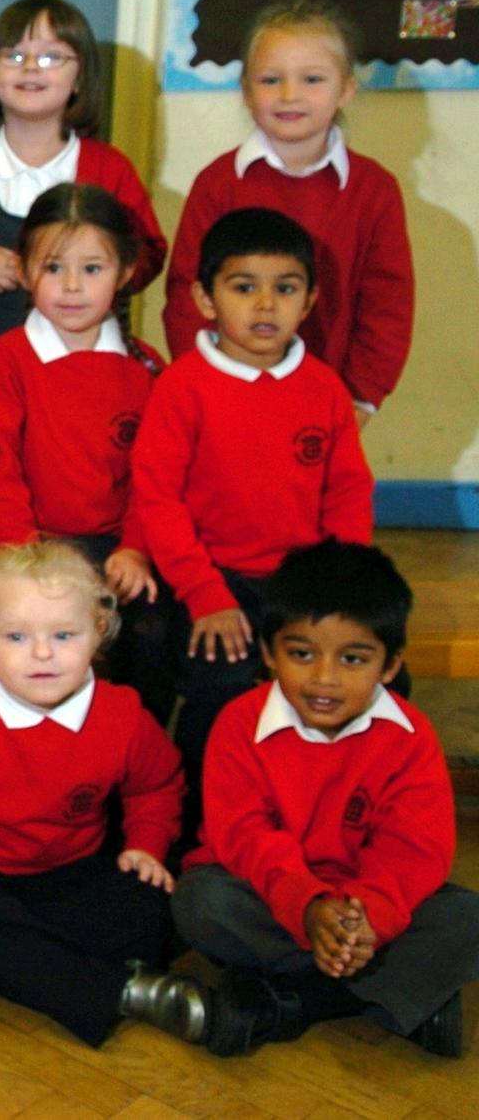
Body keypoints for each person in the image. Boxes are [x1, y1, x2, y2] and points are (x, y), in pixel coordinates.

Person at [0, 542, 202, 1048]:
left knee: (161, 905)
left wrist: (145, 846)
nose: (41, 653)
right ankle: (121, 991)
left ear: (98, 634)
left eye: (64, 635)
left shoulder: (121, 714)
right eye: (15, 636)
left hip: (71, 873)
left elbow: (157, 785)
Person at [175, 541, 478, 1059]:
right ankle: (399, 999)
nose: (324, 678)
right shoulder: (238, 726)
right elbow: (242, 835)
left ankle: (285, 1003)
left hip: (370, 905)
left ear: (389, 665)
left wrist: (368, 918)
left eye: (353, 658)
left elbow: (415, 849)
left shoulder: (411, 738)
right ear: (269, 654)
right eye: (302, 654)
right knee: (200, 902)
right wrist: (309, 905)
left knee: (466, 917)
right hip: (274, 896)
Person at [130, 209, 373, 794]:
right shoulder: (182, 388)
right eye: (244, 288)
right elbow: (157, 500)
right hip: (211, 580)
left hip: (300, 581)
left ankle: (317, 804)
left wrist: (338, 587)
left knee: (366, 680)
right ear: (206, 299)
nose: (265, 305)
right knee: (224, 683)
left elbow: (347, 494)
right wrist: (205, 593)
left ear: (310, 300)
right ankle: (194, 822)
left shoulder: (324, 389)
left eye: (284, 289)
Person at [0, 182, 176, 720]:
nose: (71, 287)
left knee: (152, 632)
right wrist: (26, 556)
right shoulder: (7, 361)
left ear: (126, 273)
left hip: (116, 549)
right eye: (53, 267)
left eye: (92, 269)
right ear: (23, 269)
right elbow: (0, 470)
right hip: (30, 546)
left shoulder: (147, 369)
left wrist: (135, 549)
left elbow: (155, 479)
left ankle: (135, 759)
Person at [162, 1, 412, 418]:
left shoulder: (374, 190)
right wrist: (205, 381)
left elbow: (388, 304)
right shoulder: (219, 184)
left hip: (329, 399)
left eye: (312, 79)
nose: (289, 95)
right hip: (225, 395)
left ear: (346, 89)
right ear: (246, 90)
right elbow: (187, 292)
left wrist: (362, 396)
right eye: (270, 79)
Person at [0, 0, 164, 353]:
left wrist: (96, 264)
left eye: (50, 57)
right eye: (13, 55)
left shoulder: (109, 169)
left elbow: (148, 254)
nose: (30, 68)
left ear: (80, 79)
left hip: (83, 360)